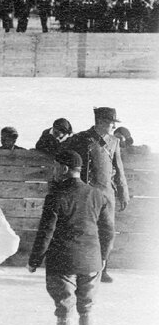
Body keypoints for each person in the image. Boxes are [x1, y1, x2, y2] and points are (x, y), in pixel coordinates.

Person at [27, 150, 114, 325]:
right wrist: (103, 257)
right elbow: (108, 231)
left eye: (56, 166)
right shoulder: (98, 195)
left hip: (62, 262)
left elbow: (46, 232)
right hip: (92, 262)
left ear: (64, 169)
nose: (53, 170)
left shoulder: (55, 197)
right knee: (86, 309)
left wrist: (34, 260)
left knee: (64, 310)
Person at [64, 107, 130, 283]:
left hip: (107, 193)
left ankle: (102, 269)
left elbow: (119, 167)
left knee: (107, 232)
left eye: (114, 123)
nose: (113, 126)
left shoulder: (114, 141)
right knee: (82, 231)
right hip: (86, 193)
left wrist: (124, 192)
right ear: (100, 121)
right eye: (110, 123)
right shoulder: (80, 139)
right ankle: (79, 269)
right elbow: (63, 157)